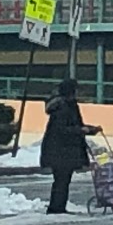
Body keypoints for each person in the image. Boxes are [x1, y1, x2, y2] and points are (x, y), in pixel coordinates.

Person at [41, 78, 100, 214]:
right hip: (60, 150)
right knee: (61, 179)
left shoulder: (69, 105)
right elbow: (63, 129)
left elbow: (76, 125)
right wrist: (81, 130)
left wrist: (90, 130)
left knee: (63, 179)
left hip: (63, 149)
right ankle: (56, 207)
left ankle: (58, 206)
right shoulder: (63, 107)